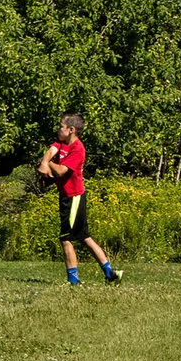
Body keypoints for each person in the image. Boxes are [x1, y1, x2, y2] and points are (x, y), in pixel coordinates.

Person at [37, 113, 121, 286]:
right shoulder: (61, 143)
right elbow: (50, 151)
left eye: (61, 126)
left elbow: (61, 171)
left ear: (71, 130)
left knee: (65, 237)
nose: (58, 129)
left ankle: (73, 280)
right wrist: (45, 161)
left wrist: (48, 164)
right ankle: (110, 273)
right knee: (84, 237)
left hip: (73, 197)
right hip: (67, 196)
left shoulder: (78, 149)